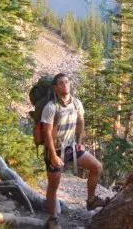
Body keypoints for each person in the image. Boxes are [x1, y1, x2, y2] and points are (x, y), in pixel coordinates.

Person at [41, 73, 109, 229]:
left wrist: (79, 142)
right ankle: (52, 219)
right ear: (55, 87)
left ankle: (90, 200)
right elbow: (47, 135)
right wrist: (52, 155)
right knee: (54, 184)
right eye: (61, 83)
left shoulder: (77, 104)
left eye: (67, 82)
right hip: (55, 150)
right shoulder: (50, 107)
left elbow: (80, 123)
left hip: (71, 148)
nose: (65, 85)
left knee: (96, 167)